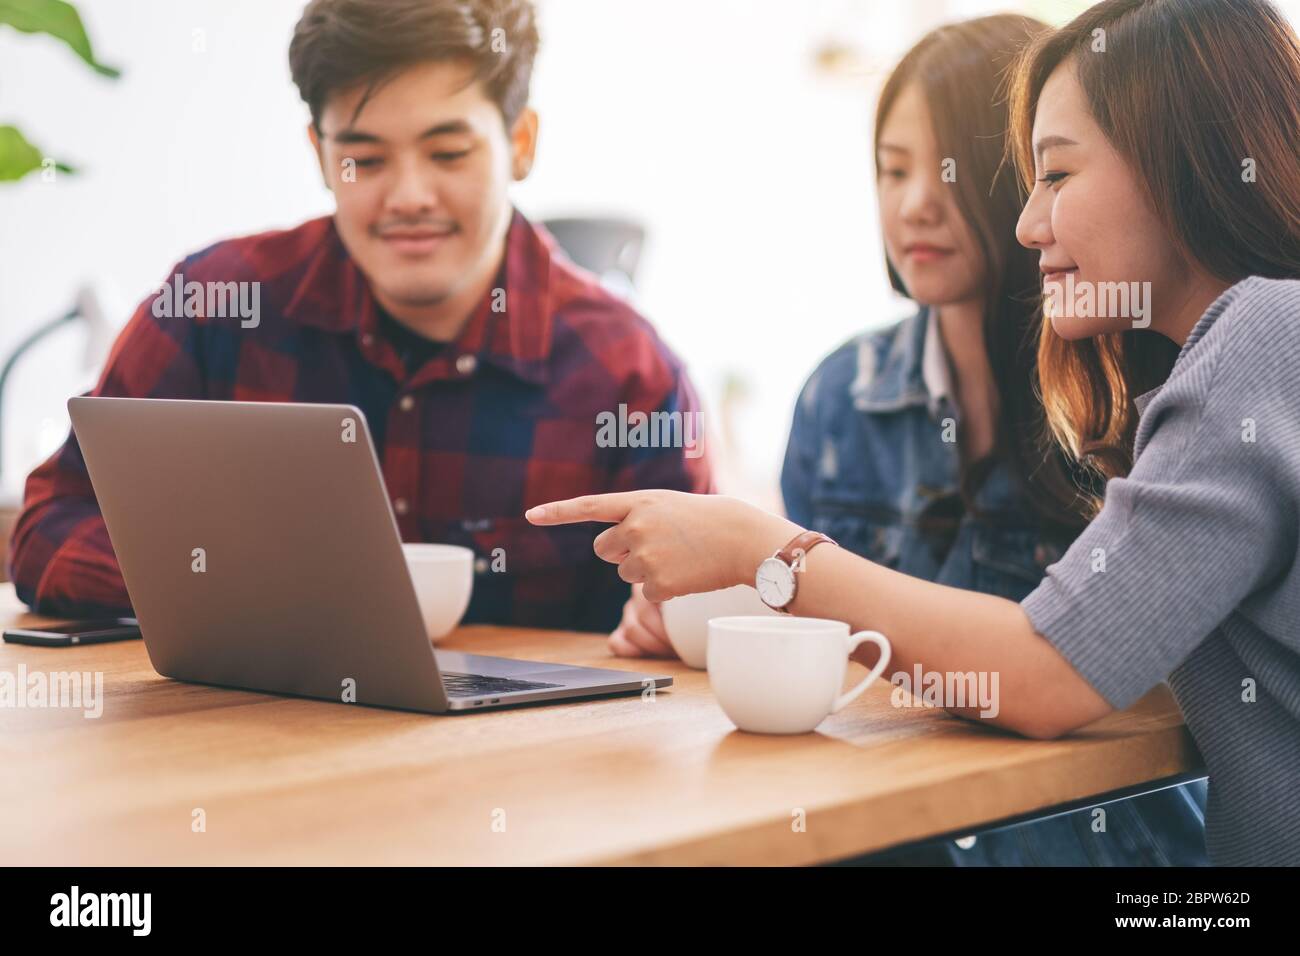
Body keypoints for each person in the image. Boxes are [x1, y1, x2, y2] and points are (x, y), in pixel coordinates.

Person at [527, 0, 1300, 865]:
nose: (1027, 222)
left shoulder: (1264, 337)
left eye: (1055, 175)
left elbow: (1046, 674)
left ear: (1175, 161)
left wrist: (763, 548)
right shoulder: (1239, 352)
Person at [8, 0, 710, 631]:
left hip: (521, 764)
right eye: (365, 160)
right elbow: (47, 526)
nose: (408, 196)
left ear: (520, 144)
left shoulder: (630, 376)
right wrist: (228, 579)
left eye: (448, 153)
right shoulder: (215, 306)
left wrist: (667, 627)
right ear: (320, 155)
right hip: (248, 745)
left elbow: (687, 616)